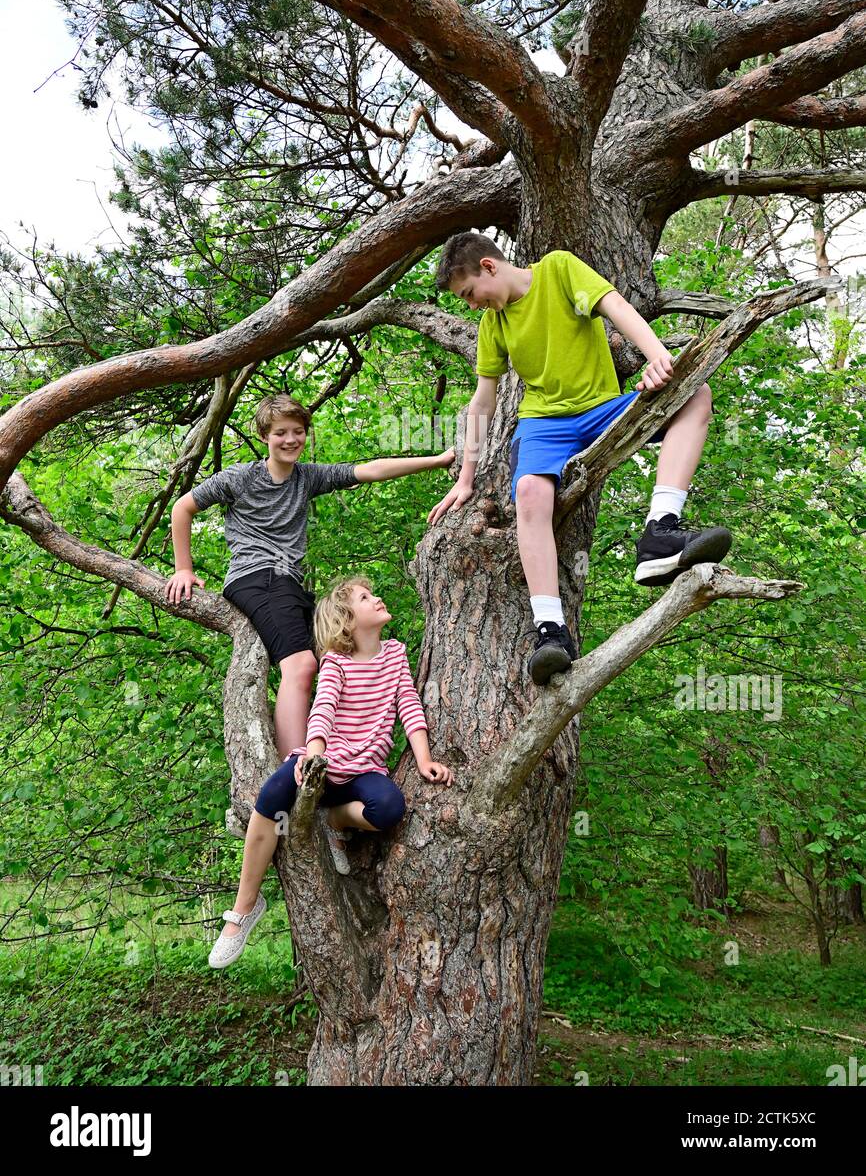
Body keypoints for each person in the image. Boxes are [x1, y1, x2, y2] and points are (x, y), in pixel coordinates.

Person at [428, 234, 731, 686]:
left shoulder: (559, 268)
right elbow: (482, 403)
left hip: (601, 409)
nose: (471, 305)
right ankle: (551, 632)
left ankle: (661, 532)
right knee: (530, 491)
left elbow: (618, 308)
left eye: (469, 293)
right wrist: (465, 478)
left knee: (696, 395)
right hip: (544, 424)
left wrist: (657, 357)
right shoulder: (494, 324)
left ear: (488, 267)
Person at [165, 393, 454, 758]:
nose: (290, 440)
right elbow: (182, 507)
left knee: (336, 659)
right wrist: (183, 569)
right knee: (301, 665)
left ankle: (344, 758)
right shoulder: (240, 478)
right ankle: (295, 768)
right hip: (257, 576)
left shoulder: (307, 477)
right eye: (280, 433)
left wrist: (438, 460)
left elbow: (371, 470)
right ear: (264, 437)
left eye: (298, 432)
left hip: (289, 585)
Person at [207, 574, 454, 969]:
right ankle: (243, 910)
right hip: (324, 760)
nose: (376, 599)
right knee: (271, 796)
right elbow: (322, 708)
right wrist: (314, 756)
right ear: (346, 621)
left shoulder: (394, 655)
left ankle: (335, 821)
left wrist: (424, 759)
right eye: (365, 597)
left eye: (373, 593)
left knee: (390, 808)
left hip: (363, 771)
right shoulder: (336, 663)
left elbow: (409, 705)